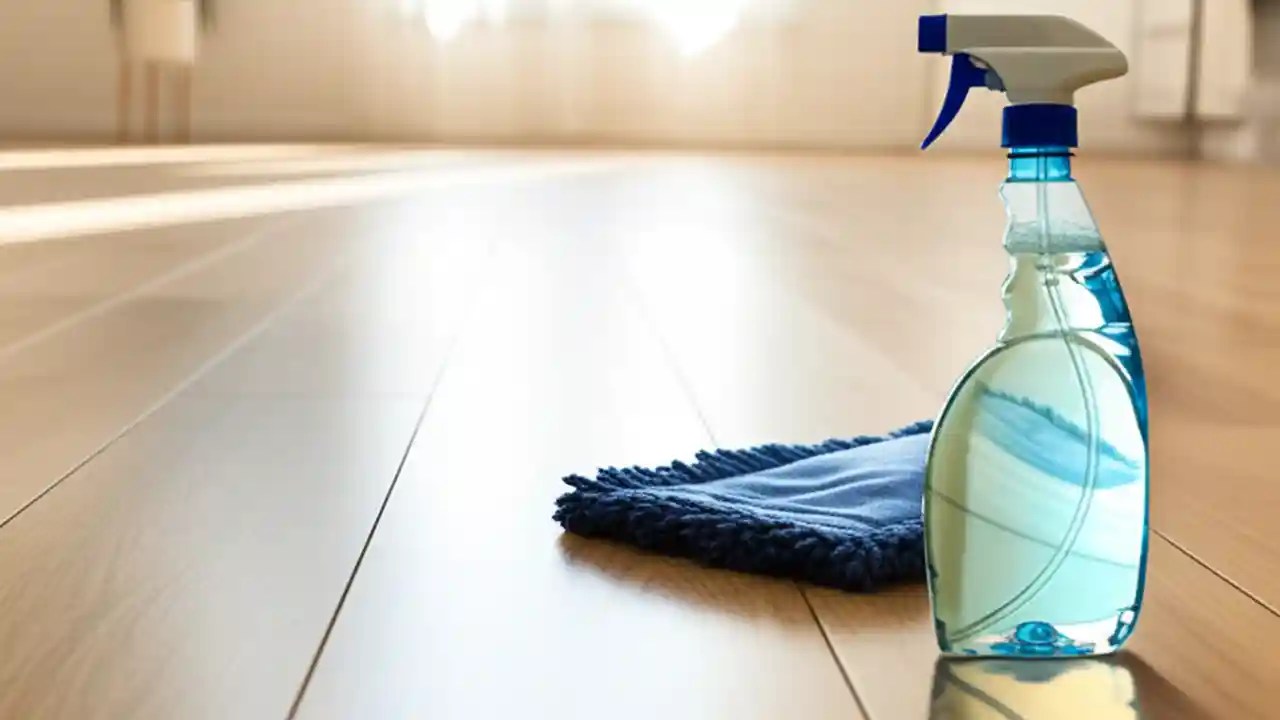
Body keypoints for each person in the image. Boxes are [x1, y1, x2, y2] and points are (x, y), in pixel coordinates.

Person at [110, 0, 213, 143]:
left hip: (157, 22)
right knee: (155, 60)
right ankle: (177, 133)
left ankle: (172, 132)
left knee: (154, 60)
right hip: (162, 22)